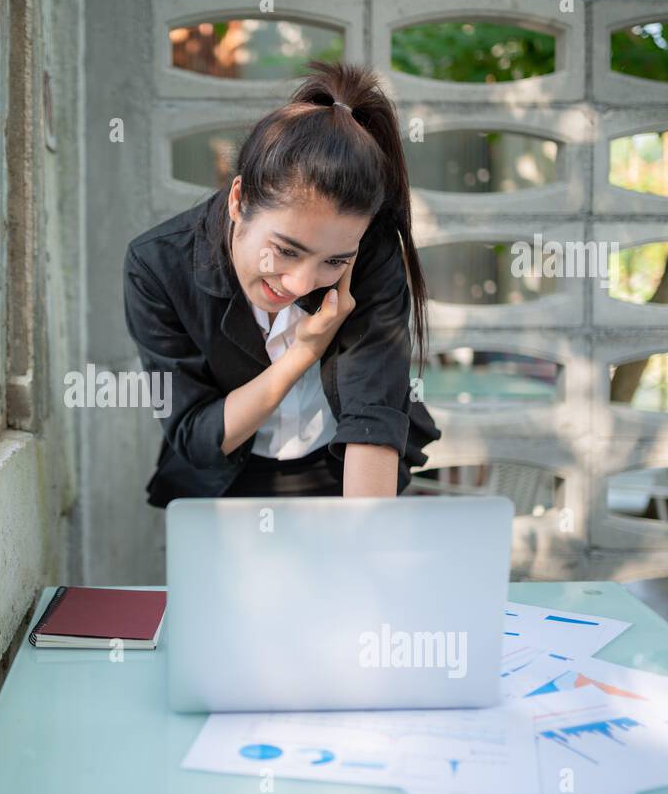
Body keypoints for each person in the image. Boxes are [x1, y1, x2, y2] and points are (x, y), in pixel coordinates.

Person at [123, 61, 441, 508]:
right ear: (239, 199)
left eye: (334, 261)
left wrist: (366, 547)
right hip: (227, 485)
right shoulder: (157, 266)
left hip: (340, 467)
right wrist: (303, 353)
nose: (300, 282)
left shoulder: (372, 251)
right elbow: (197, 434)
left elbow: (373, 411)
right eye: (287, 250)